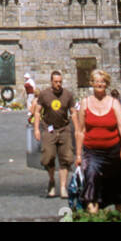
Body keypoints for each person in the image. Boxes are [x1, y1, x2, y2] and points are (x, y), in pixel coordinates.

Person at [76, 69, 121, 213]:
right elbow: (80, 130)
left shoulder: (114, 103)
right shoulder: (85, 103)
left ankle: (118, 216)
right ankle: (94, 216)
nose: (99, 84)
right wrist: (78, 155)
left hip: (113, 151)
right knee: (91, 184)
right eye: (96, 81)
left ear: (106, 84)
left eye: (102, 81)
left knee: (117, 189)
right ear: (91, 83)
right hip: (92, 152)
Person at [33, 69, 77, 198]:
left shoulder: (67, 95)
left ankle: (63, 187)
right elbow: (37, 111)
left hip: (64, 129)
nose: (58, 84)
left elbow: (73, 112)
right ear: (51, 82)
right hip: (49, 129)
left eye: (60, 82)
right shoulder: (44, 95)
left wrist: (78, 128)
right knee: (48, 157)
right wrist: (36, 129)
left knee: (66, 159)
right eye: (56, 82)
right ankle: (52, 181)